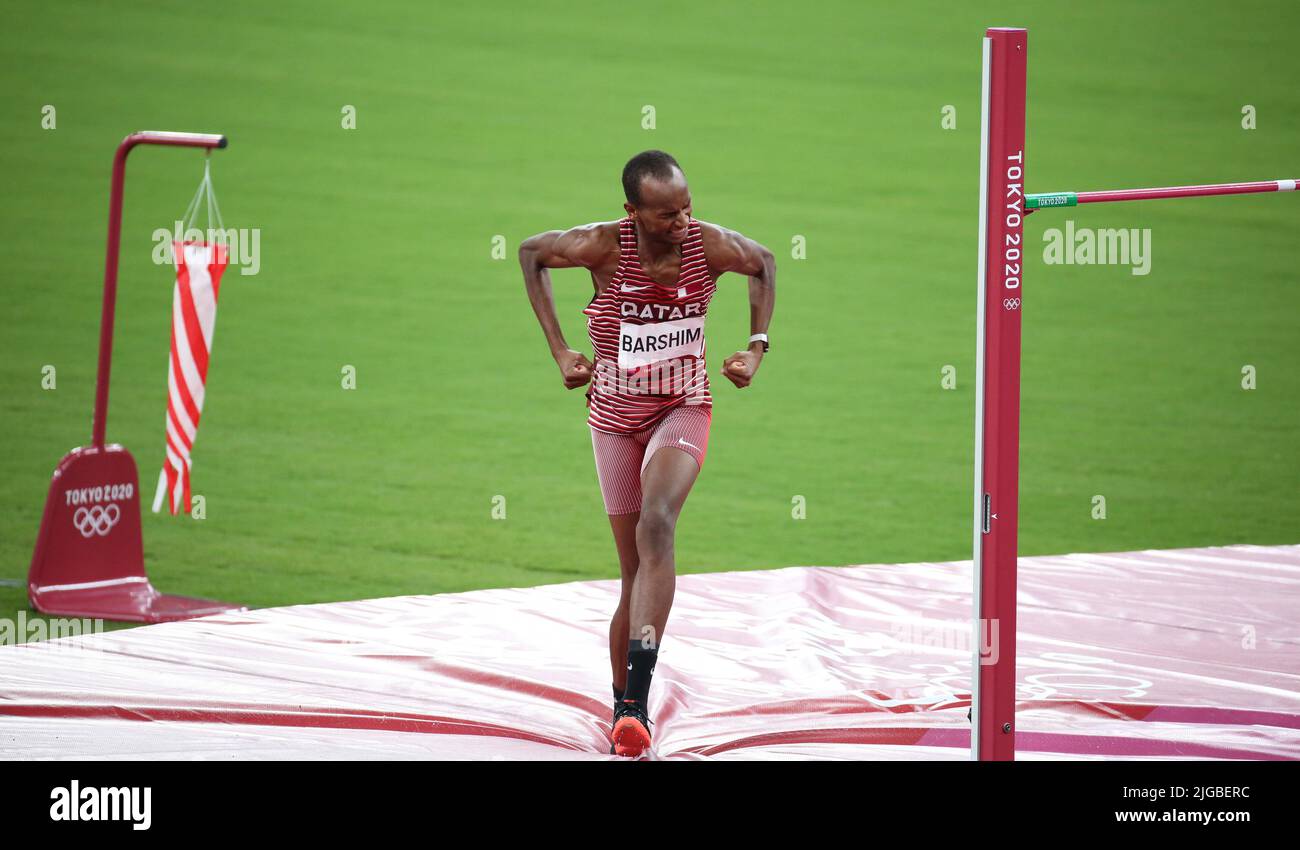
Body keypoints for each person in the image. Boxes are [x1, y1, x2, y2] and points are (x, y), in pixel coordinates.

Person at [519, 150, 776, 757]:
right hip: (611, 415)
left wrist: (756, 348)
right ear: (631, 212)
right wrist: (558, 350)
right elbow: (530, 252)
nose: (682, 222)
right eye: (665, 215)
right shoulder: (601, 247)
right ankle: (621, 709)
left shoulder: (708, 246)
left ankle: (638, 703)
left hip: (683, 405)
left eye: (687, 208)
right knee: (633, 572)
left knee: (658, 526)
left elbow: (763, 261)